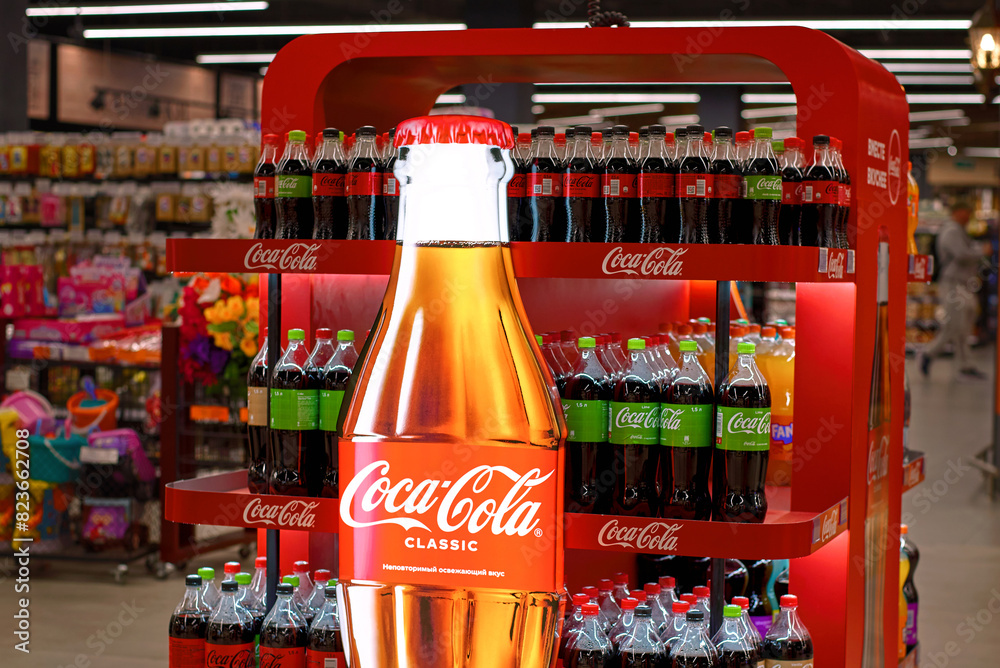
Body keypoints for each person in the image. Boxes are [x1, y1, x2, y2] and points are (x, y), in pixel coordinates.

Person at [918, 198, 991, 380]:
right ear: (959, 212)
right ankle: (928, 354)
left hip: (963, 285)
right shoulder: (951, 230)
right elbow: (961, 254)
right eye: (967, 213)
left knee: (965, 327)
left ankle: (966, 365)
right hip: (953, 285)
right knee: (953, 326)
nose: (969, 217)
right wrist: (982, 251)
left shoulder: (959, 230)